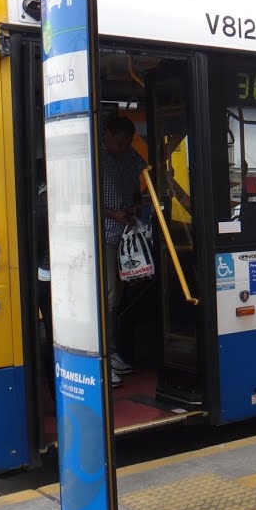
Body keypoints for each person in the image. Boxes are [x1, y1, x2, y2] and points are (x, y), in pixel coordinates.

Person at [99, 114, 146, 383]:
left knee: (122, 296)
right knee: (109, 295)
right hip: (105, 235)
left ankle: (113, 350)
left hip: (128, 234)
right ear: (106, 136)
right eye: (119, 142)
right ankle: (106, 353)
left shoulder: (130, 158)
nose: (124, 147)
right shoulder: (96, 159)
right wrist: (114, 214)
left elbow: (139, 189)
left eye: (128, 142)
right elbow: (87, 198)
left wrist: (135, 207)